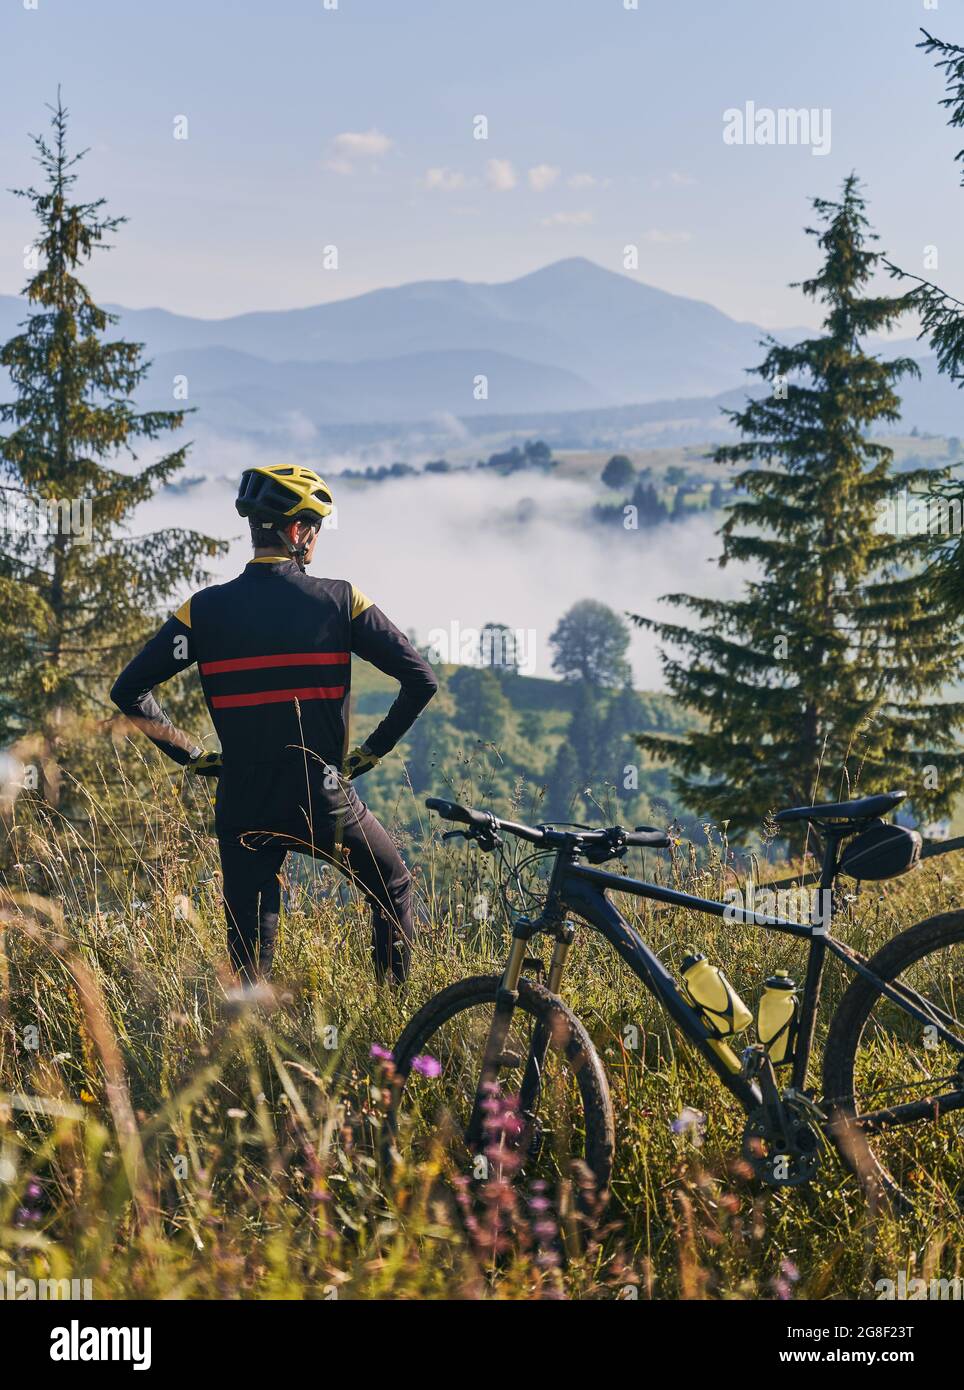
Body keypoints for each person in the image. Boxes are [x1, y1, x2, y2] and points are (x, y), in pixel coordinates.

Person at [110, 463, 438, 984]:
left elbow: (128, 690)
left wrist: (193, 756)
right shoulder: (340, 600)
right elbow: (421, 679)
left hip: (242, 796)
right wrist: (371, 752)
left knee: (250, 945)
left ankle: (249, 1049)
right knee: (391, 886)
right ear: (297, 531)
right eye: (316, 528)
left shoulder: (204, 610)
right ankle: (391, 1030)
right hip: (321, 791)